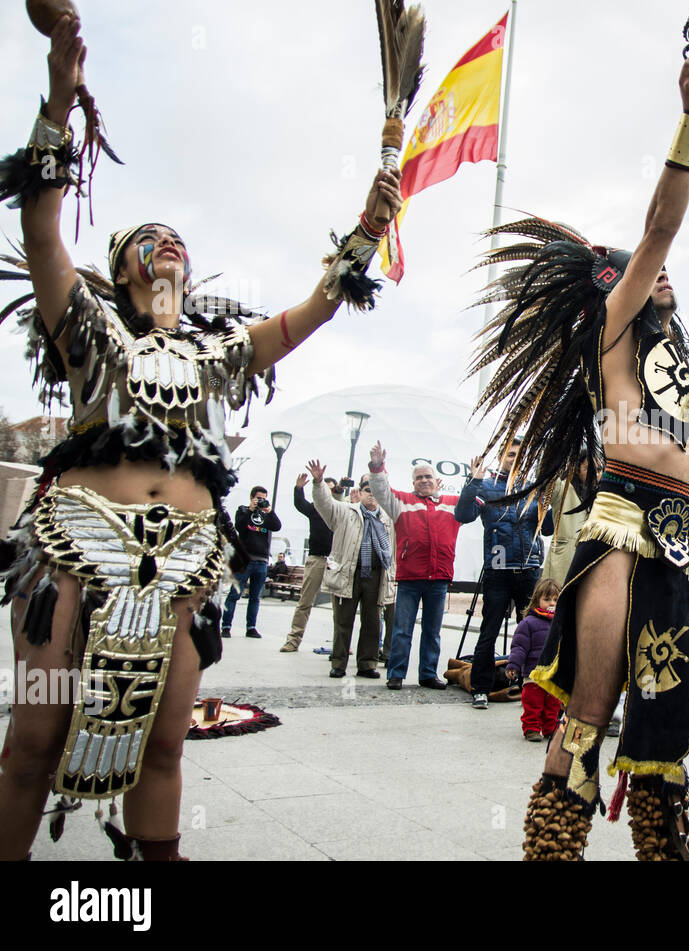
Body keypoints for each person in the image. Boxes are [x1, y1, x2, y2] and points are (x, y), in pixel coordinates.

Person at [0, 15, 401, 860]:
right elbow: (42, 232)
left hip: (181, 562)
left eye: (178, 238)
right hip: (76, 553)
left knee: (164, 744)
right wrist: (60, 98)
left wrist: (367, 227)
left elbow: (315, 309)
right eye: (149, 238)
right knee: (33, 741)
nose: (169, 244)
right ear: (120, 271)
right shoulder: (90, 332)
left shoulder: (221, 353)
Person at [470, 57, 689, 860]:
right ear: (618, 284)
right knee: (590, 706)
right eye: (646, 272)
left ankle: (661, 846)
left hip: (681, 529)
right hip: (621, 524)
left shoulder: (676, 350)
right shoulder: (614, 324)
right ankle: (552, 847)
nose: (662, 274)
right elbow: (661, 227)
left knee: (661, 714)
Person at [367, 442, 471, 691]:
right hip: (410, 578)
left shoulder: (452, 502)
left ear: (437, 480)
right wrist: (377, 467)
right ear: (413, 483)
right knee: (402, 629)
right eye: (418, 478)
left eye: (428, 477)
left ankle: (427, 674)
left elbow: (474, 503)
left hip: (439, 578)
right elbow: (380, 490)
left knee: (432, 631)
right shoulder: (401, 503)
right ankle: (396, 673)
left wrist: (476, 478)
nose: (423, 481)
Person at [455, 440, 548, 710]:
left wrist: (549, 498)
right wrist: (472, 483)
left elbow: (549, 528)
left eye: (519, 454)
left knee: (535, 631)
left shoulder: (534, 487)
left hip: (529, 568)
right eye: (509, 454)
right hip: (498, 570)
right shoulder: (486, 486)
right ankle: (480, 688)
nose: (513, 459)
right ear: (501, 457)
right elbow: (463, 515)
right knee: (489, 630)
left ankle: (531, 685)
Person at [306, 461, 394, 679]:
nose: (371, 495)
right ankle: (339, 663)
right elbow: (324, 504)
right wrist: (318, 483)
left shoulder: (387, 517)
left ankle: (367, 663)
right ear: (360, 492)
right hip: (350, 573)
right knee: (343, 622)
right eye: (367, 490)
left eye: (375, 491)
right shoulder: (346, 512)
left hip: (376, 575)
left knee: (372, 622)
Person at [279, 473, 338, 652]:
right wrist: (298, 489)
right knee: (305, 602)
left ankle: (340, 643)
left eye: (331, 489)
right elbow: (300, 504)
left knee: (340, 606)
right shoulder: (315, 509)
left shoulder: (340, 509)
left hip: (336, 561)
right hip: (317, 558)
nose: (327, 492)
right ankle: (293, 640)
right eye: (324, 489)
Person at [505, 578, 563, 742]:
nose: (551, 603)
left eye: (555, 599)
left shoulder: (562, 624)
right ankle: (531, 728)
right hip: (533, 673)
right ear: (537, 600)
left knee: (553, 705)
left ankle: (550, 728)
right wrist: (514, 665)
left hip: (554, 674)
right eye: (547, 599)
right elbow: (519, 647)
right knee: (533, 703)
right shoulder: (528, 623)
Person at [221, 485, 283, 639]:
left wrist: (269, 510)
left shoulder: (267, 515)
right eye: (259, 498)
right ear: (252, 498)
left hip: (261, 560)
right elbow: (240, 526)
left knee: (255, 597)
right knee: (235, 594)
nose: (261, 501)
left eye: (264, 498)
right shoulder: (243, 510)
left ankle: (251, 627)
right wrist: (250, 509)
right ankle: (226, 626)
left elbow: (277, 526)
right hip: (245, 559)